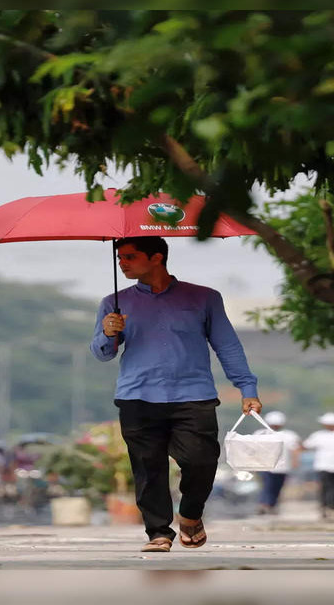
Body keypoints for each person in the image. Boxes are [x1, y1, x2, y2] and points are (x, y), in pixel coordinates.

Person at [91, 236, 261, 553]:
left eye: (130, 256)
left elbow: (226, 345)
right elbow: (103, 354)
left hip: (193, 395)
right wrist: (109, 332)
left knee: (202, 460)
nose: (122, 262)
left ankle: (191, 514)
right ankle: (158, 532)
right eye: (120, 257)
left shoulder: (204, 298)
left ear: (156, 258)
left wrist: (246, 387)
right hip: (137, 397)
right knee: (148, 468)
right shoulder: (114, 302)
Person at [254, 411, 302, 516]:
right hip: (264, 466)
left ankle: (271, 505)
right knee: (267, 486)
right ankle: (264, 504)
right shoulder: (260, 433)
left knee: (277, 487)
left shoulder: (288, 435)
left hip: (282, 467)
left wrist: (295, 461)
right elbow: (254, 449)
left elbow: (295, 449)